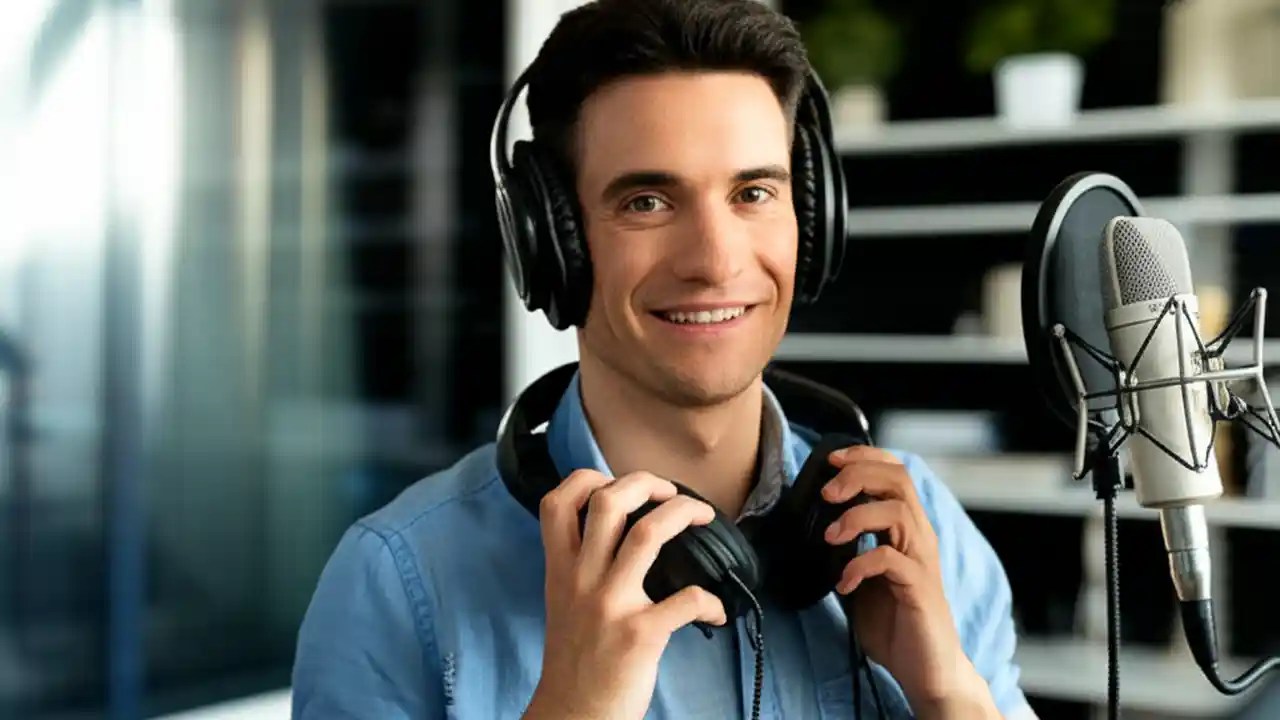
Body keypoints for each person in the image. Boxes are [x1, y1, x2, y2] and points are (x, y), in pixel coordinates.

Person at [292, 1, 1038, 718]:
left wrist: (953, 698)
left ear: (812, 222)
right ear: (552, 244)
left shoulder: (918, 528)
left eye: (753, 193)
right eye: (648, 201)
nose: (714, 262)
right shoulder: (397, 581)